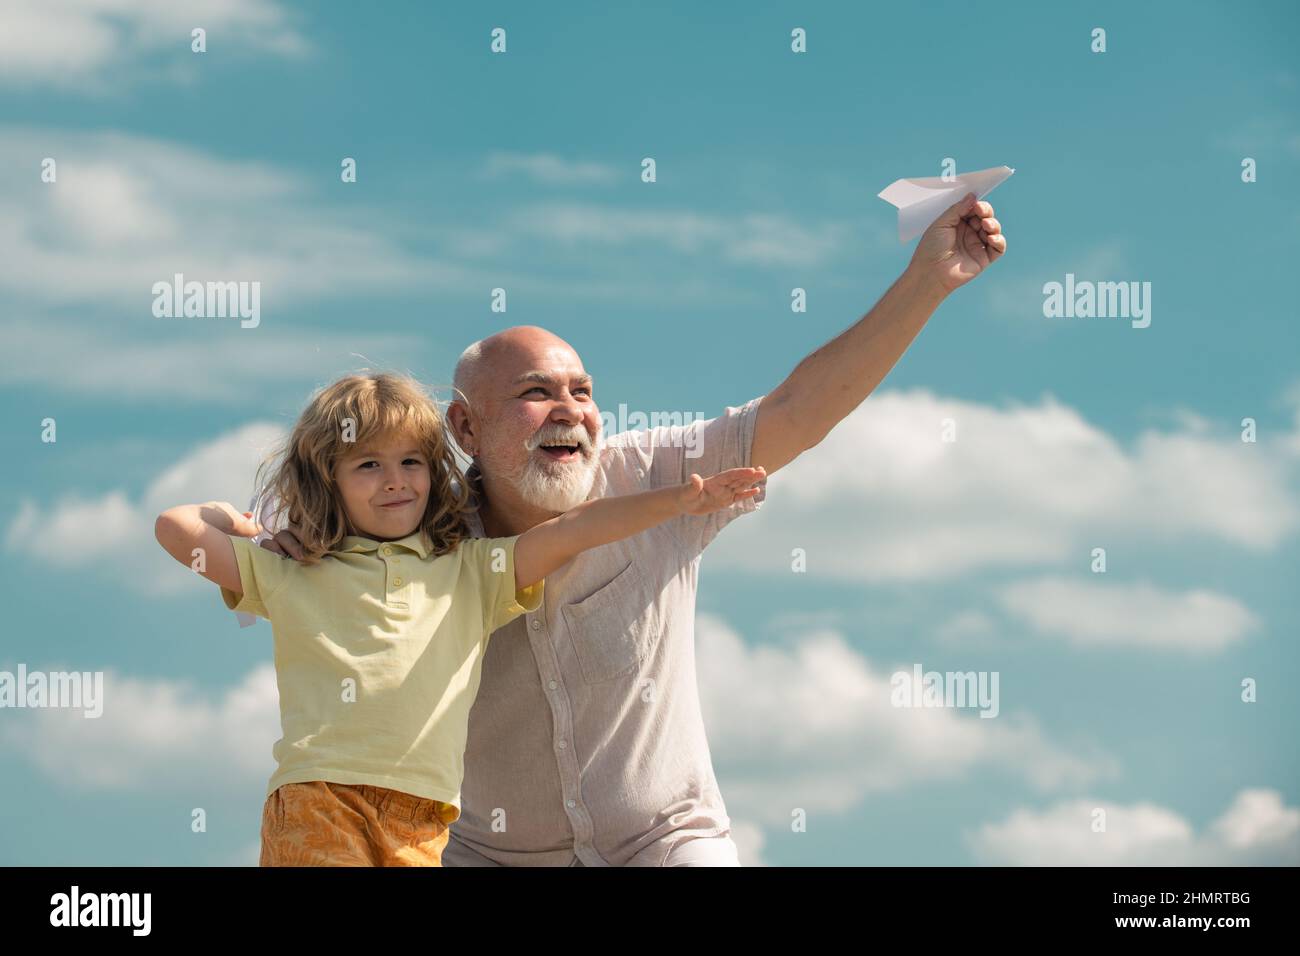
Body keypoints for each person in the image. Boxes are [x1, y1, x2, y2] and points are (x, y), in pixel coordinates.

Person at [260, 192, 1007, 865]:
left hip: (668, 842)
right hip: (490, 856)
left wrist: (928, 280)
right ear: (464, 424)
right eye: (535, 393)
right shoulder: (411, 531)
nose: (569, 410)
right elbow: (276, 525)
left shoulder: (657, 479)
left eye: (582, 392)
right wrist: (283, 539)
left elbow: (796, 410)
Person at [155, 371, 764, 866]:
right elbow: (174, 528)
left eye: (411, 463)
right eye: (368, 465)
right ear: (328, 480)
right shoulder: (294, 570)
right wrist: (249, 528)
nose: (395, 482)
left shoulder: (471, 570)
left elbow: (574, 530)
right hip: (320, 799)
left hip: (427, 819)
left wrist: (681, 501)